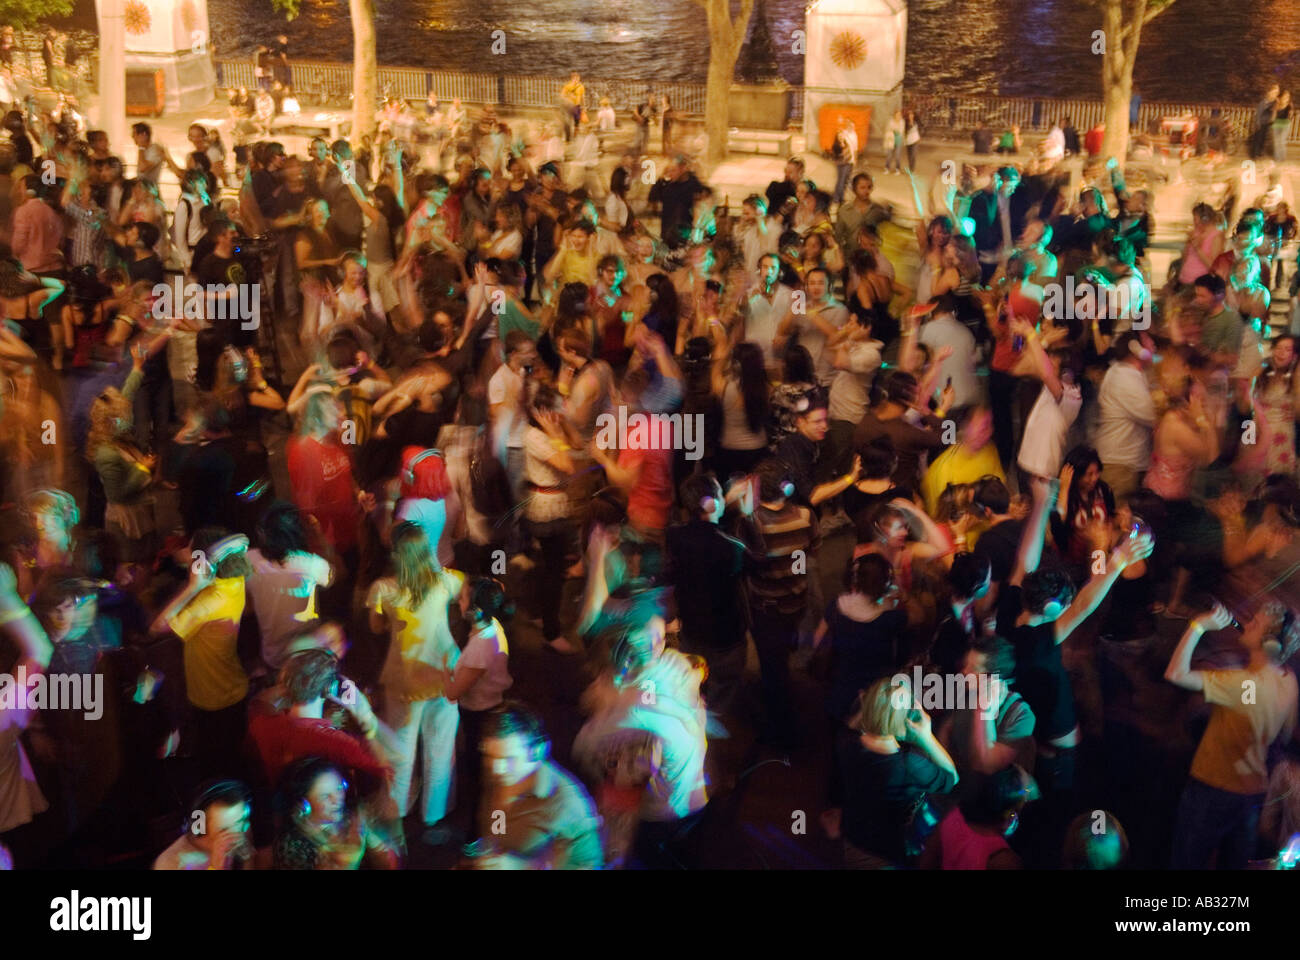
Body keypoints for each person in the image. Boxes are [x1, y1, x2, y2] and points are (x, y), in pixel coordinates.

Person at [1166, 601, 1299, 870]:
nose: (1248, 623)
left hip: (1212, 788)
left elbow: (1176, 673)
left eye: (1257, 624)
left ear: (1269, 645)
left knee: (1187, 861)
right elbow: (1283, 734)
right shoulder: (1288, 680)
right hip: (1252, 794)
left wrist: (1199, 625)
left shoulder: (1240, 683)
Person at [367, 522, 463, 844]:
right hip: (443, 674)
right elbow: (468, 594)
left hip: (403, 679)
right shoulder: (446, 582)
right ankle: (434, 812)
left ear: (395, 554)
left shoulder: (383, 589)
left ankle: (395, 809)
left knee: (400, 748)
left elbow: (377, 627)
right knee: (441, 744)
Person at [838, 677, 958, 868]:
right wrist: (927, 738)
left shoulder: (848, 742)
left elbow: (860, 721)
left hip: (852, 838)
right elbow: (951, 778)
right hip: (881, 855)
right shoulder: (908, 765)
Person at [468, 703, 603, 869]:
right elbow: (497, 826)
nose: (497, 769)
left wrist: (523, 866)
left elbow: (590, 866)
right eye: (490, 756)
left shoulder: (567, 803)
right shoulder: (501, 777)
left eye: (509, 759)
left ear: (537, 752)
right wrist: (492, 850)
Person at [272, 758, 400, 869]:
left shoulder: (350, 818)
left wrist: (371, 837)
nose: (337, 799)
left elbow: (388, 866)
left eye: (339, 788)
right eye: (325, 796)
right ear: (303, 806)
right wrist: (349, 860)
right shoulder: (292, 845)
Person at [919, 766, 1037, 869]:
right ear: (1009, 812)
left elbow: (927, 859)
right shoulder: (1002, 859)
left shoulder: (955, 815)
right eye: (1024, 793)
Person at [153, 781, 254, 870]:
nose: (236, 833)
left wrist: (247, 859)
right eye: (223, 830)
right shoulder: (169, 864)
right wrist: (215, 867)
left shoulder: (242, 829)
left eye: (239, 822)